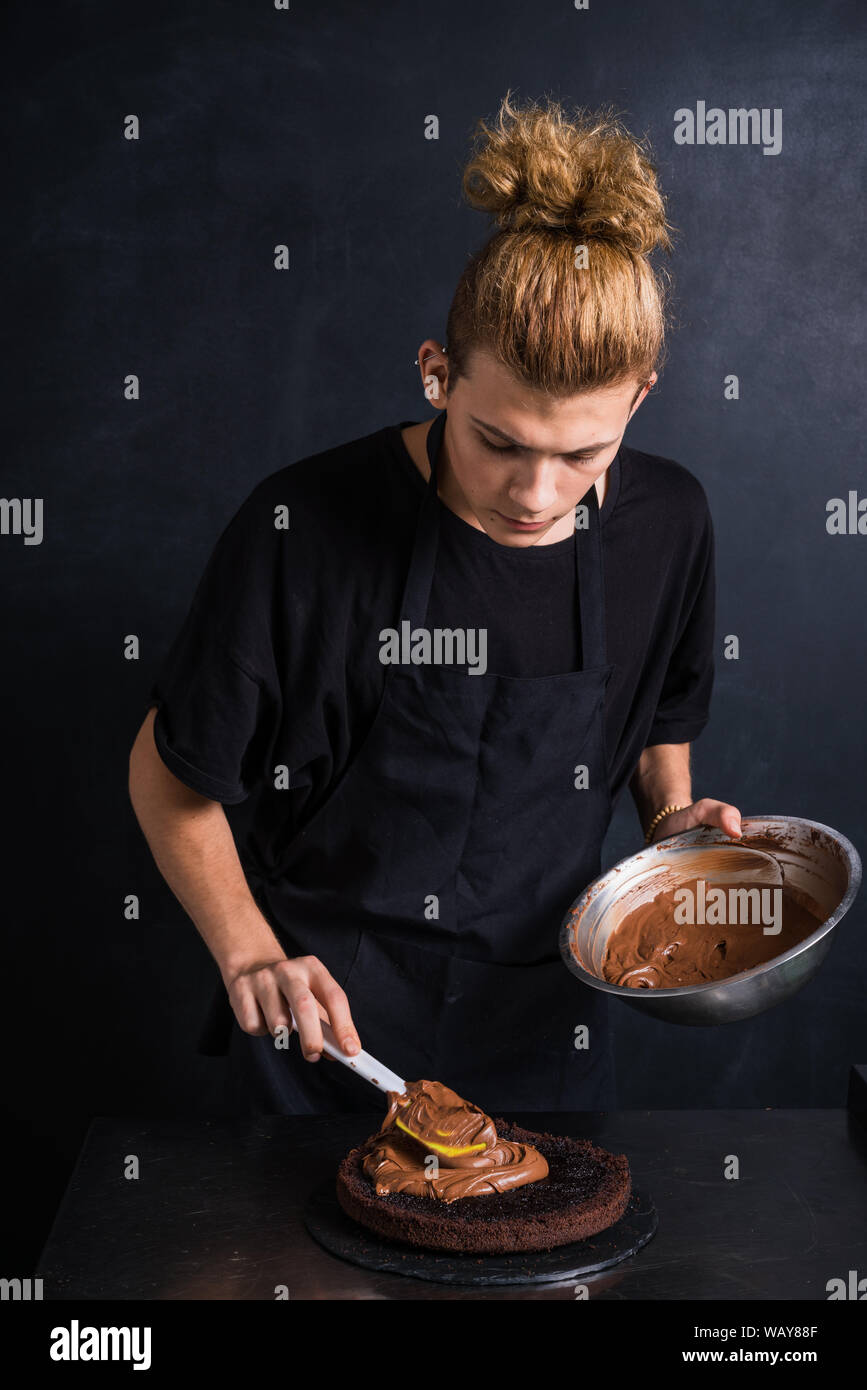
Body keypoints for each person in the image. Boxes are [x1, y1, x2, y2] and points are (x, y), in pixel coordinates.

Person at [128, 92, 742, 1116]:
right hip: (324, 1043)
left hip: (545, 1042)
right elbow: (168, 766)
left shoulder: (671, 522)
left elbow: (658, 720)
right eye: (498, 441)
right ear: (437, 374)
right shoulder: (304, 528)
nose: (536, 496)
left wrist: (672, 816)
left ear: (640, 397)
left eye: (581, 454)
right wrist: (249, 955)